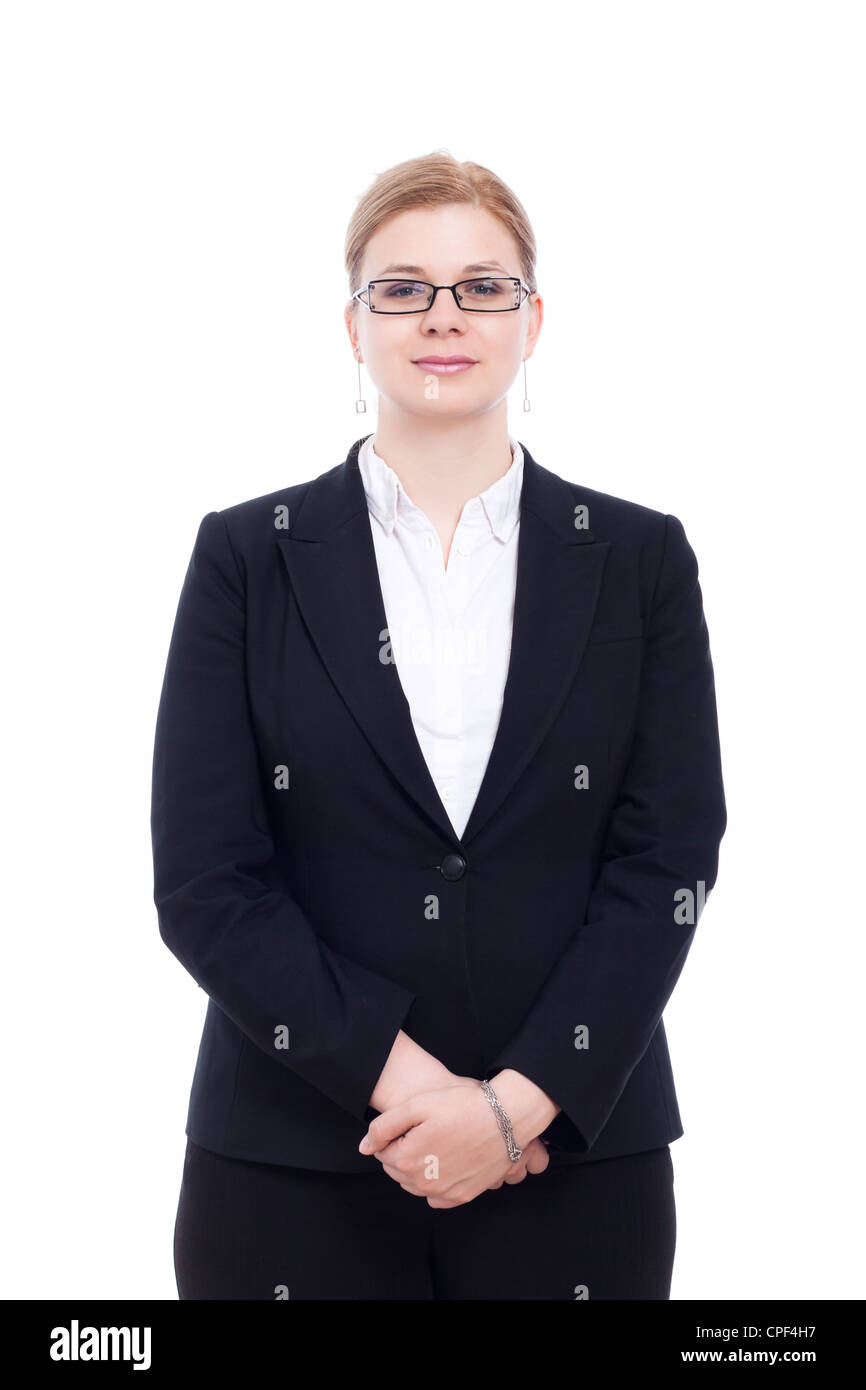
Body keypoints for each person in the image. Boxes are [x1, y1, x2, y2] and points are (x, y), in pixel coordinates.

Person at [151, 150, 727, 1300]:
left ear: (533, 319)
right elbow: (206, 879)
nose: (443, 315)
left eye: (482, 285)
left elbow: (666, 853)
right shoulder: (244, 557)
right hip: (291, 1163)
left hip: (572, 1157)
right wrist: (405, 1084)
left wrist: (512, 1109)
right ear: (352, 327)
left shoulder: (638, 557)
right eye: (402, 288)